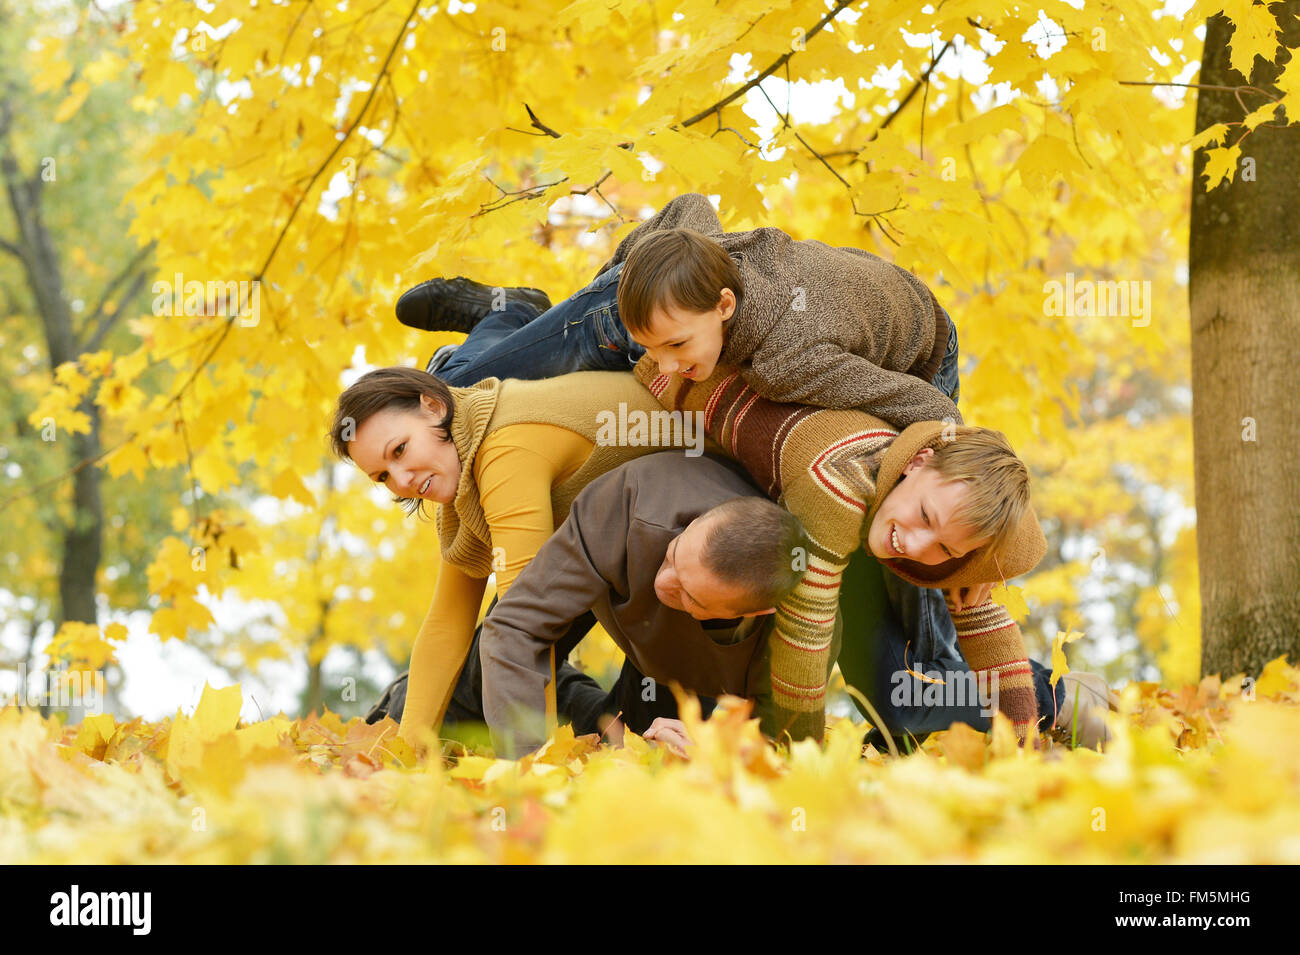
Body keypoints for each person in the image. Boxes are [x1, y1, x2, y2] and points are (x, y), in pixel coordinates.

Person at [326, 366, 704, 754]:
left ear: (434, 406)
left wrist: (531, 765)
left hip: (705, 532)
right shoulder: (465, 482)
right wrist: (401, 753)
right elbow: (447, 625)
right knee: (624, 736)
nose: (401, 480)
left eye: (400, 450)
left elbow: (521, 628)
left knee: (656, 742)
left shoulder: (504, 447)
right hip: (630, 549)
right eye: (383, 476)